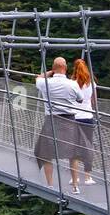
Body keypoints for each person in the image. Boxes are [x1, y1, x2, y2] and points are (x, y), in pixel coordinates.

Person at [34, 57, 86, 189]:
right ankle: (75, 186)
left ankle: (50, 185)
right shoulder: (73, 84)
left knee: (46, 153)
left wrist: (50, 72)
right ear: (66, 68)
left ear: (53, 68)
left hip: (52, 120)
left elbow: (37, 77)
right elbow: (80, 99)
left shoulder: (45, 83)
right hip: (69, 120)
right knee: (73, 154)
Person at [69, 58, 98, 191]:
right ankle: (87, 177)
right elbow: (94, 102)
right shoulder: (92, 84)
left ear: (74, 69)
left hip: (74, 117)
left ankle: (74, 178)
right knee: (87, 147)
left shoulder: (71, 83)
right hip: (87, 117)